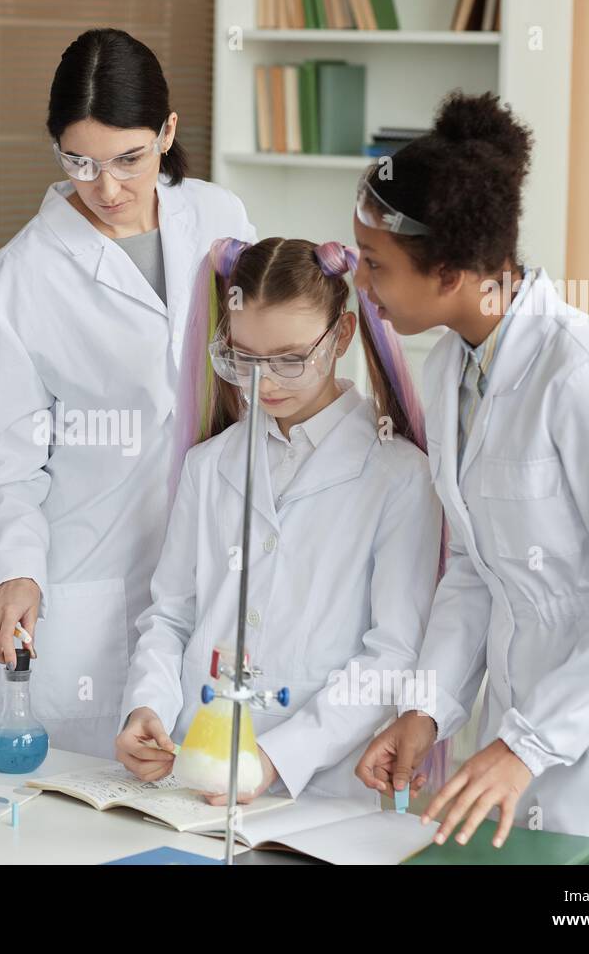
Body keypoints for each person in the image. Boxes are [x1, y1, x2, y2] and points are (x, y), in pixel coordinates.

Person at [352, 91, 589, 864]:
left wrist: (526, 747)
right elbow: (474, 566)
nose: (362, 283)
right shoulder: (447, 369)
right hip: (521, 747)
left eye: (376, 265)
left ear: (451, 273)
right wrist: (427, 709)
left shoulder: (587, 377)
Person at [0, 28, 256, 758]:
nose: (108, 187)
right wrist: (13, 572)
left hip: (215, 573)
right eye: (80, 161)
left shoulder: (220, 220)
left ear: (168, 132)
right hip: (88, 588)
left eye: (130, 159)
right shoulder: (24, 274)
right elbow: (4, 466)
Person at [115, 237, 441, 803]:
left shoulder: (399, 474)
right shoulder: (209, 464)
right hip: (193, 769)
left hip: (322, 785)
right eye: (244, 359)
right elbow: (171, 617)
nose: (265, 382)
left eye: (290, 359)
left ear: (340, 336)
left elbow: (392, 654)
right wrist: (146, 706)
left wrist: (275, 759)